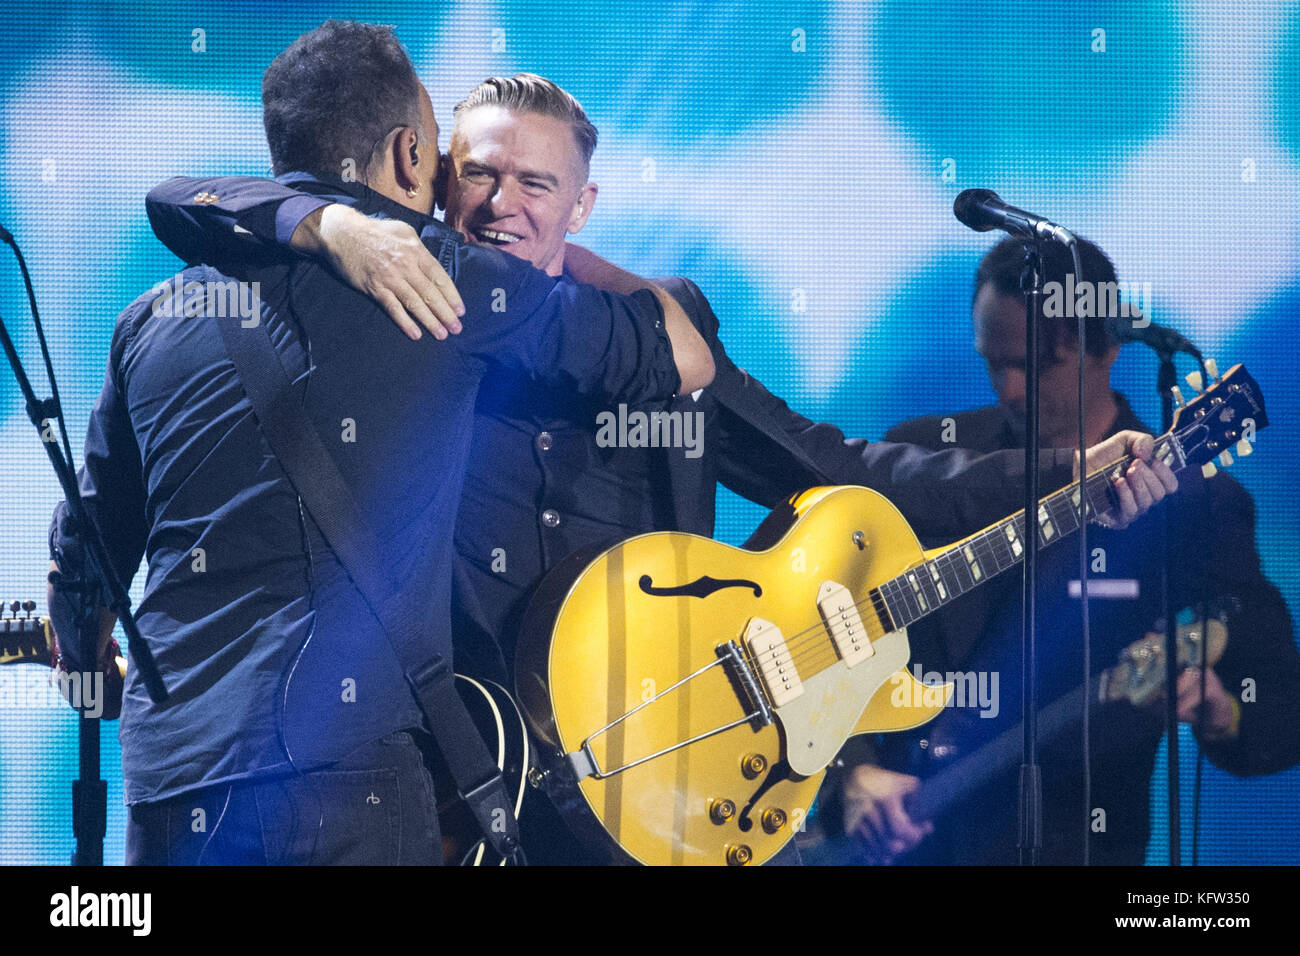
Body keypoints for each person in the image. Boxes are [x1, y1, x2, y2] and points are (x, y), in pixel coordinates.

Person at [142, 75, 1177, 863]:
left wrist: (1066, 471)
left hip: (668, 787)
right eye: (480, 176)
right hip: (463, 788)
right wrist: (327, 219)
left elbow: (835, 466)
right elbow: (192, 195)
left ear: (582, 204)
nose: (502, 203)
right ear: (434, 185)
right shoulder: (402, 314)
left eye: (534, 182)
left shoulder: (659, 330)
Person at [45, 20, 717, 866]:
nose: (445, 188)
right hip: (342, 779)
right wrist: (559, 239)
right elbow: (683, 357)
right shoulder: (448, 282)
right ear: (406, 153)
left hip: (170, 785)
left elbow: (86, 556)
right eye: (439, 158)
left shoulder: (149, 324)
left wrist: (87, 655)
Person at [819, 236, 1300, 866]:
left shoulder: (1195, 505)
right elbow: (827, 629)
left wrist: (1222, 711)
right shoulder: (926, 461)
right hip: (903, 843)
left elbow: (1281, 707)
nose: (1011, 389)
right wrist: (852, 773)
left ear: (1107, 347)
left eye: (1035, 364)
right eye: (995, 363)